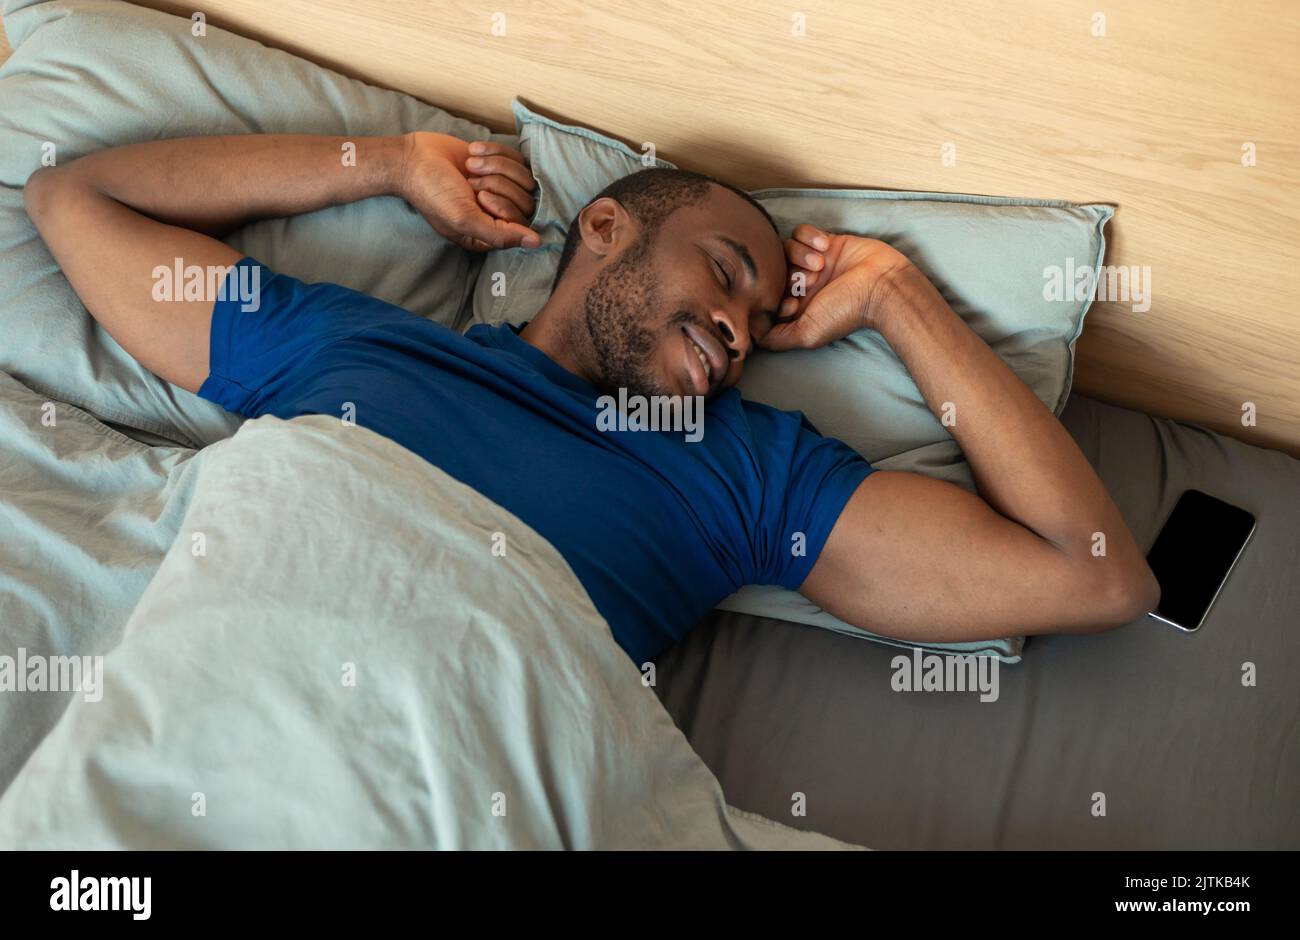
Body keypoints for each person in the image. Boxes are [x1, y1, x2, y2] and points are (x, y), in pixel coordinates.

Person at [22, 131, 1158, 666]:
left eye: (763, 324)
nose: (738, 329)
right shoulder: (354, 345)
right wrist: (383, 162)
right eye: (723, 273)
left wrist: (897, 300)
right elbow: (75, 194)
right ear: (604, 230)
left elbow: (1096, 568)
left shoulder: (746, 474)